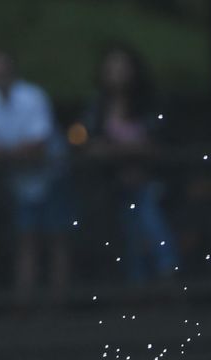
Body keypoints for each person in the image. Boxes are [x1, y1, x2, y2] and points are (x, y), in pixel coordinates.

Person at [81, 43, 180, 283]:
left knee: (147, 214)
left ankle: (168, 270)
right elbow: (89, 144)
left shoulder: (149, 103)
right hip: (114, 185)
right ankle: (139, 284)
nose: (117, 72)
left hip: (153, 181)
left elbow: (158, 142)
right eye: (112, 66)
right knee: (131, 231)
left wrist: (118, 150)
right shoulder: (98, 107)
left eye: (122, 66)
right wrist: (122, 152)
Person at [0, 49, 72, 304]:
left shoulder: (32, 96)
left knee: (56, 237)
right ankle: (24, 303)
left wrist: (8, 154)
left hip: (50, 176)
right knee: (25, 239)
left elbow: (38, 144)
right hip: (20, 181)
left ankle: (58, 300)